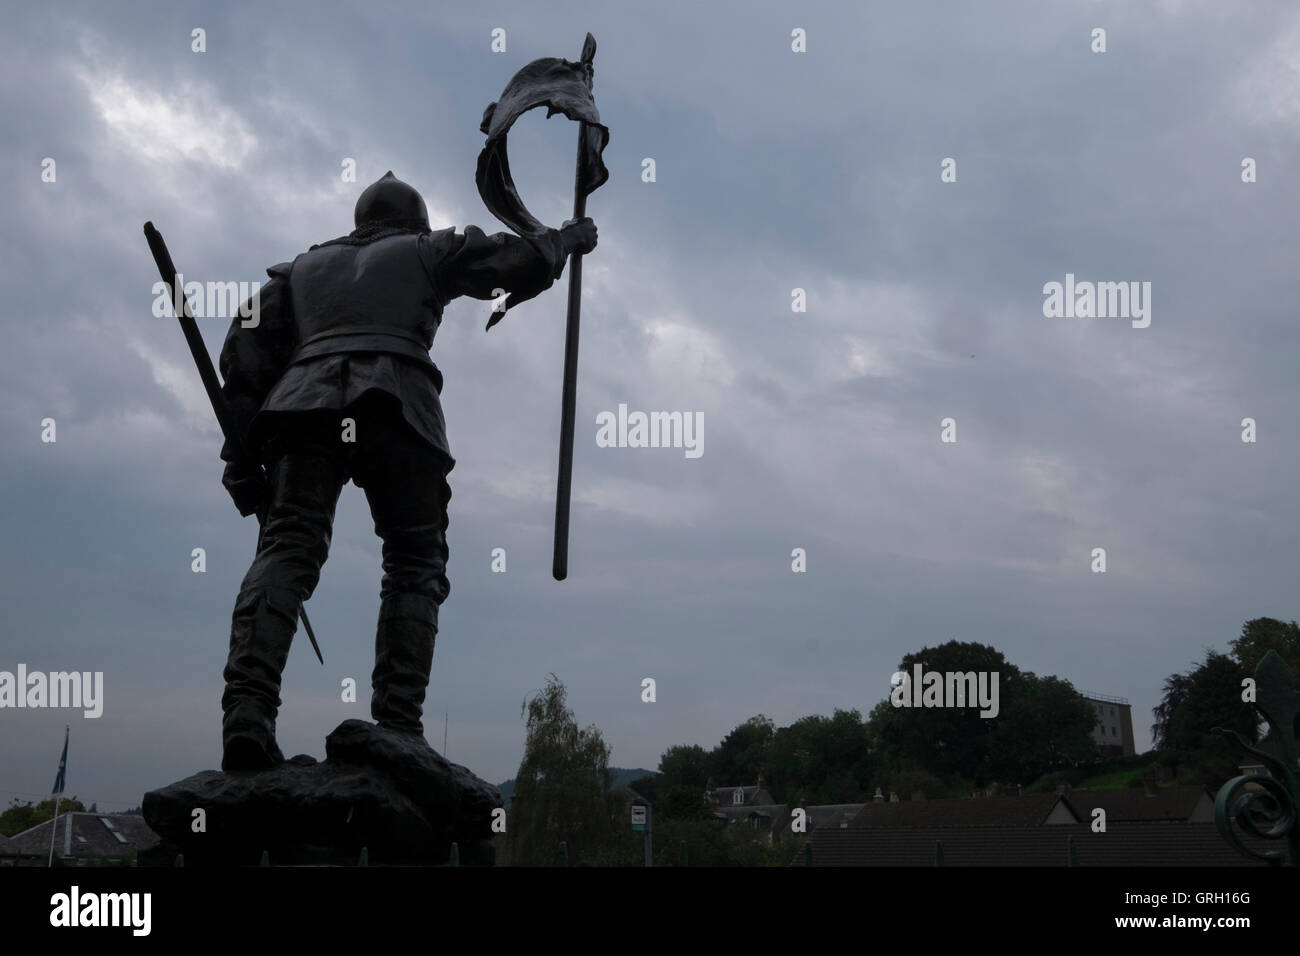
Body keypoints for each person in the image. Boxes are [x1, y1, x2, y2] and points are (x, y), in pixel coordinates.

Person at [215, 171, 597, 771]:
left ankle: (246, 715)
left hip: (304, 406)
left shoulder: (296, 272)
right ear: (413, 221)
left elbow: (243, 357)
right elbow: (513, 262)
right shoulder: (430, 248)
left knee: (287, 547)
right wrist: (565, 241)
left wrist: (240, 456)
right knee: (415, 560)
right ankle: (397, 725)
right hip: (397, 405)